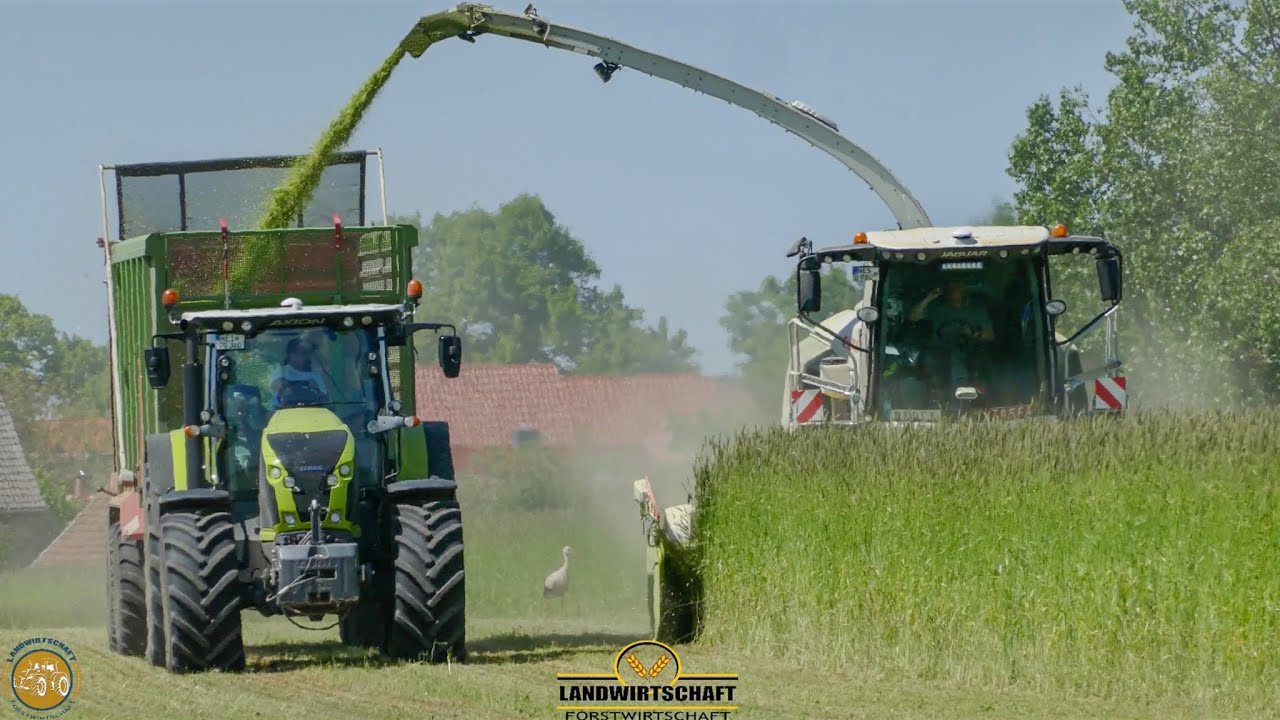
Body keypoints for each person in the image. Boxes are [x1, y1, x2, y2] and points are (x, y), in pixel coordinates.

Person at [269, 337, 330, 408]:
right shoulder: (280, 373)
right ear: (292, 356)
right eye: (303, 353)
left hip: (312, 412)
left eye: (308, 353)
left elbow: (325, 401)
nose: (307, 357)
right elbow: (276, 389)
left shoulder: (316, 376)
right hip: (283, 412)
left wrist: (317, 389)